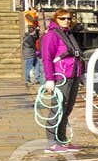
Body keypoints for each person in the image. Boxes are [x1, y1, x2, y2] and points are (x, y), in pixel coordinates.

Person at [39, 9, 82, 151]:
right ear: (56, 19)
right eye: (63, 18)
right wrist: (49, 79)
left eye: (69, 18)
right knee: (57, 109)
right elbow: (46, 58)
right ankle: (51, 143)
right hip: (61, 77)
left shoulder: (68, 34)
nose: (66, 21)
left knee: (67, 109)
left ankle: (61, 140)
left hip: (73, 75)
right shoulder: (51, 35)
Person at [21, 9, 42, 87]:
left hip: (33, 54)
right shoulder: (28, 37)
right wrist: (37, 49)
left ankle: (37, 79)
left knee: (37, 65)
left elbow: (35, 36)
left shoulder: (30, 35)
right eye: (32, 29)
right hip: (29, 55)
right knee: (28, 67)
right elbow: (32, 44)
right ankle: (27, 80)